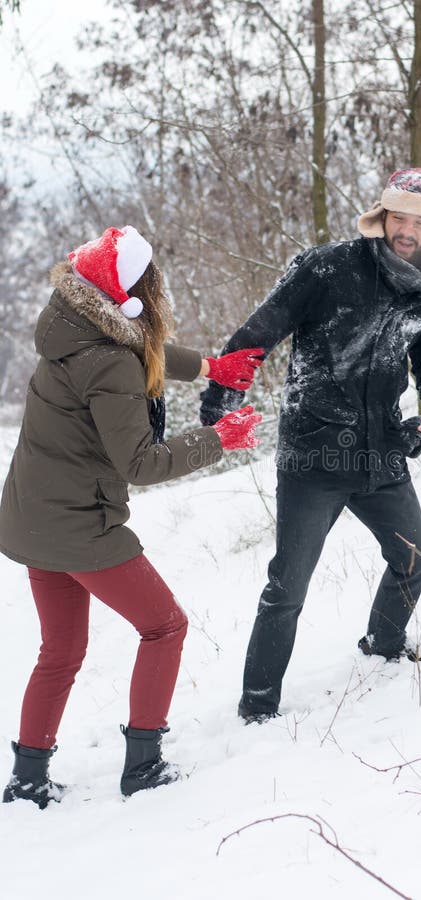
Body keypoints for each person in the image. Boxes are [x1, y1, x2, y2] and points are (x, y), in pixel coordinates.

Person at [0, 225, 263, 807]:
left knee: (60, 651)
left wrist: (211, 368)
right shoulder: (109, 360)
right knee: (165, 626)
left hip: (31, 520)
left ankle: (27, 781)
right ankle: (143, 767)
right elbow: (141, 464)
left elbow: (135, 353)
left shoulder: (70, 329)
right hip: (80, 526)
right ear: (133, 290)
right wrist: (218, 437)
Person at [200, 168, 421, 723]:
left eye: (418, 221)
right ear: (382, 216)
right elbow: (256, 334)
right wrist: (220, 400)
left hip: (381, 451)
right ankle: (257, 707)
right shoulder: (328, 266)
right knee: (288, 585)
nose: (406, 231)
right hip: (314, 454)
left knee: (416, 558)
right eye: (398, 217)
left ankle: (383, 650)